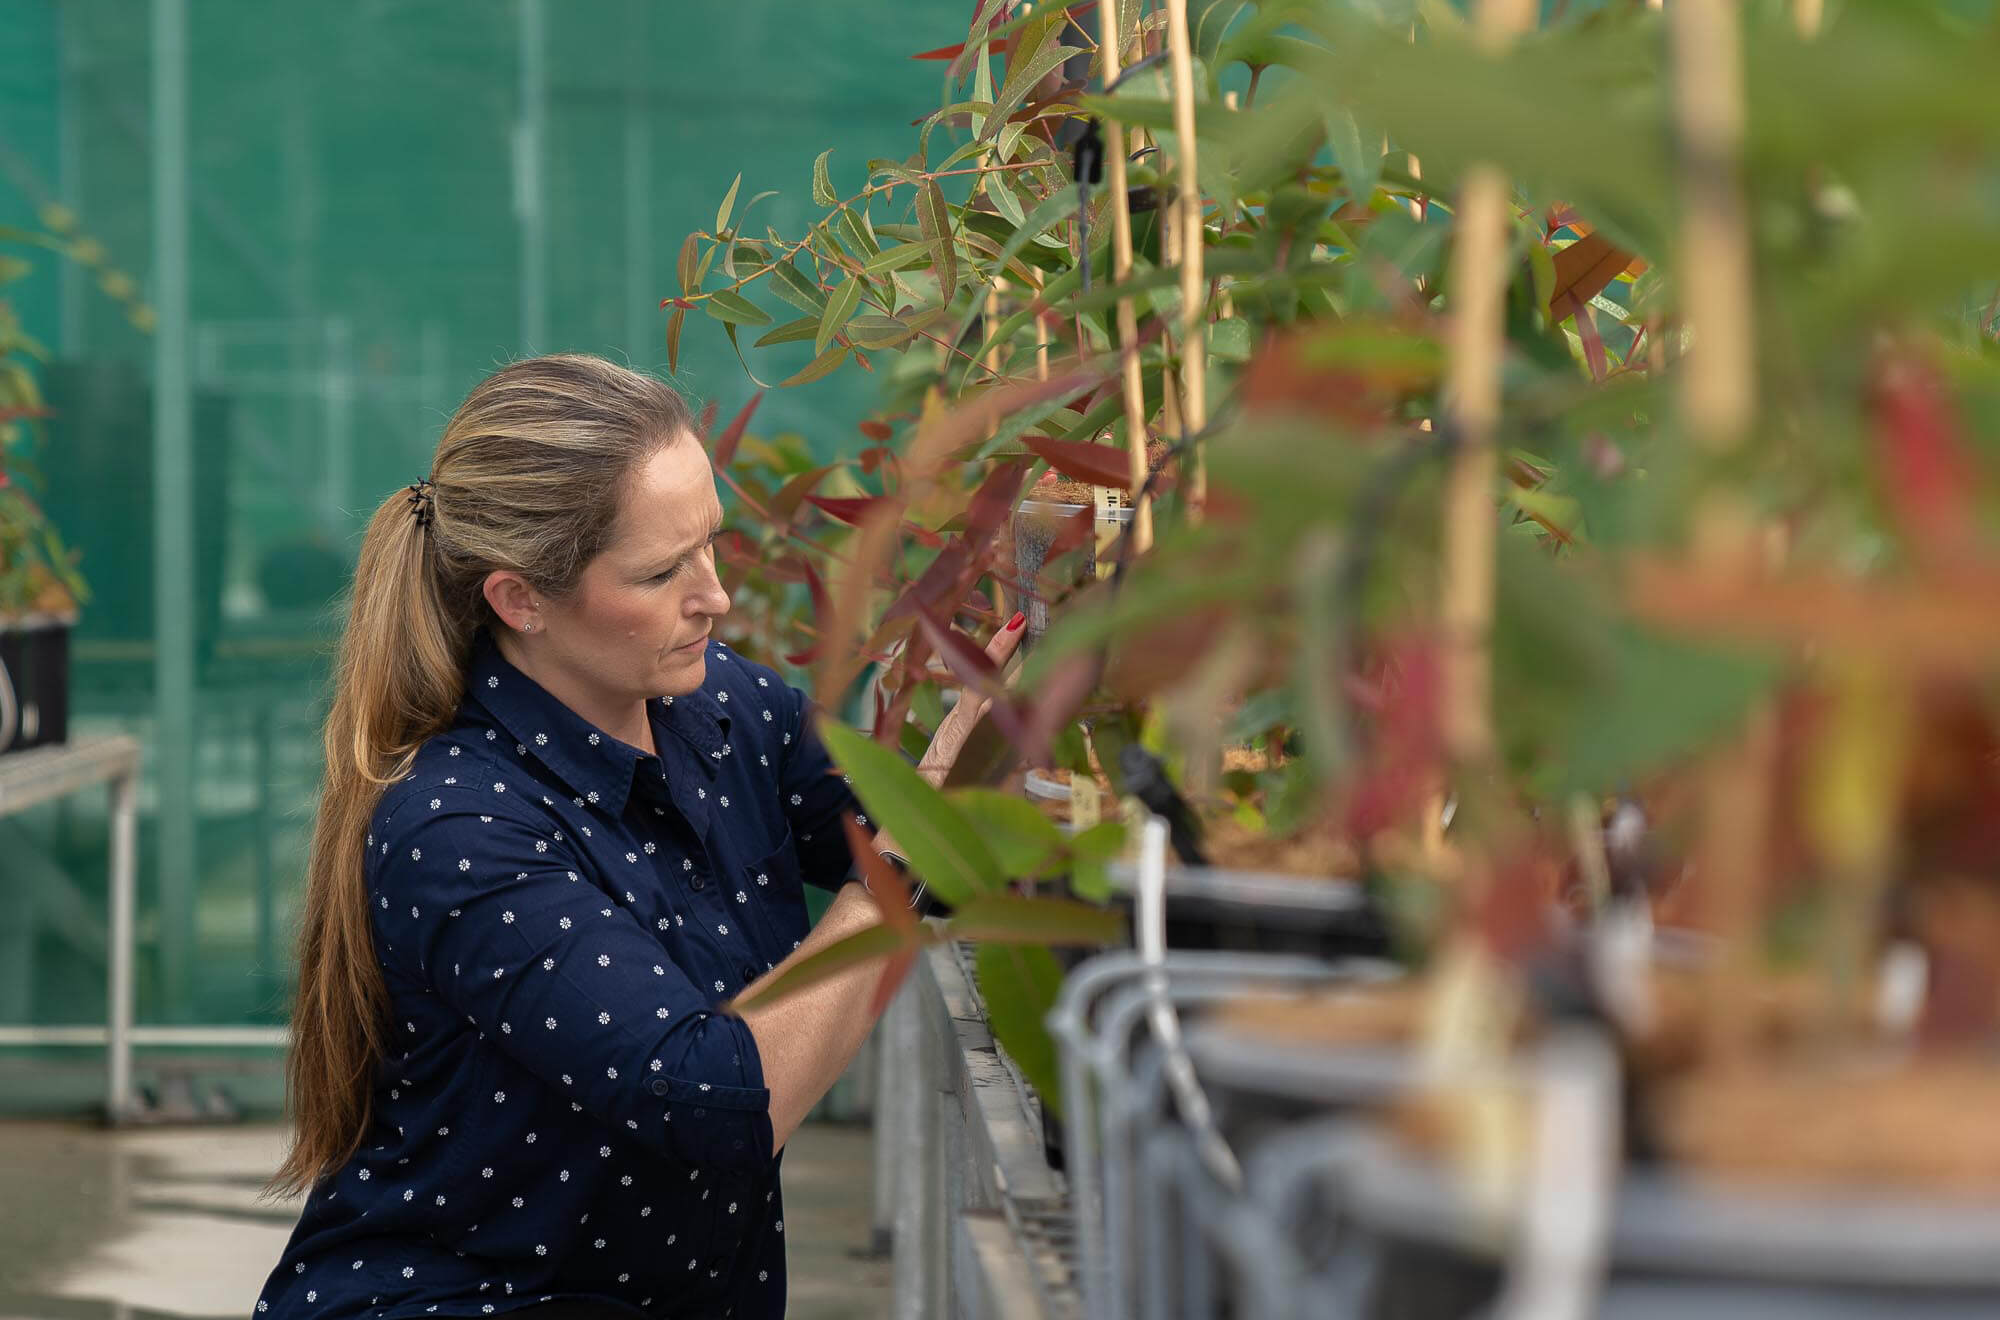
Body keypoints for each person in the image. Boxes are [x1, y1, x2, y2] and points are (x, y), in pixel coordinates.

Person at [258, 354, 1023, 1320]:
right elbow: (719, 1099)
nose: (716, 597)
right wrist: (896, 869)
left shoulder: (726, 712)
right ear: (519, 600)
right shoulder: (460, 828)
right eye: (661, 572)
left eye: (712, 543)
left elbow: (944, 855)